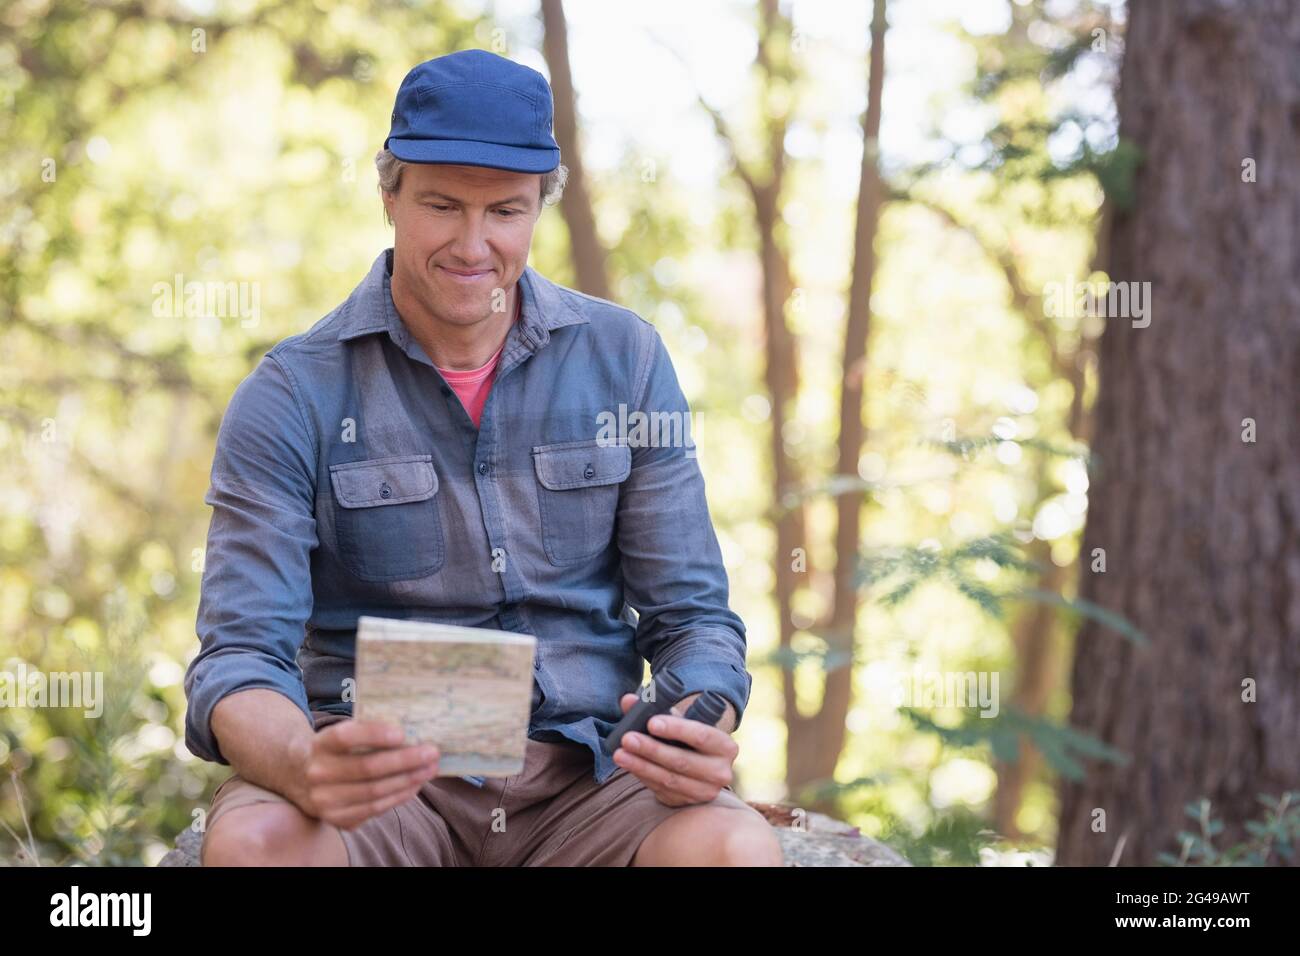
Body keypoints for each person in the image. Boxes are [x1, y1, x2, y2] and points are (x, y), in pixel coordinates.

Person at [185, 49, 781, 867]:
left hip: (591, 776)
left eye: (505, 211)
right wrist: (302, 764)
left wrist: (699, 720)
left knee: (730, 851)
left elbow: (693, 621)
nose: (473, 245)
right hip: (378, 786)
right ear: (389, 194)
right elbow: (241, 655)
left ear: (541, 205)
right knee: (259, 847)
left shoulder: (628, 360)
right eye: (441, 205)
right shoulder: (292, 393)